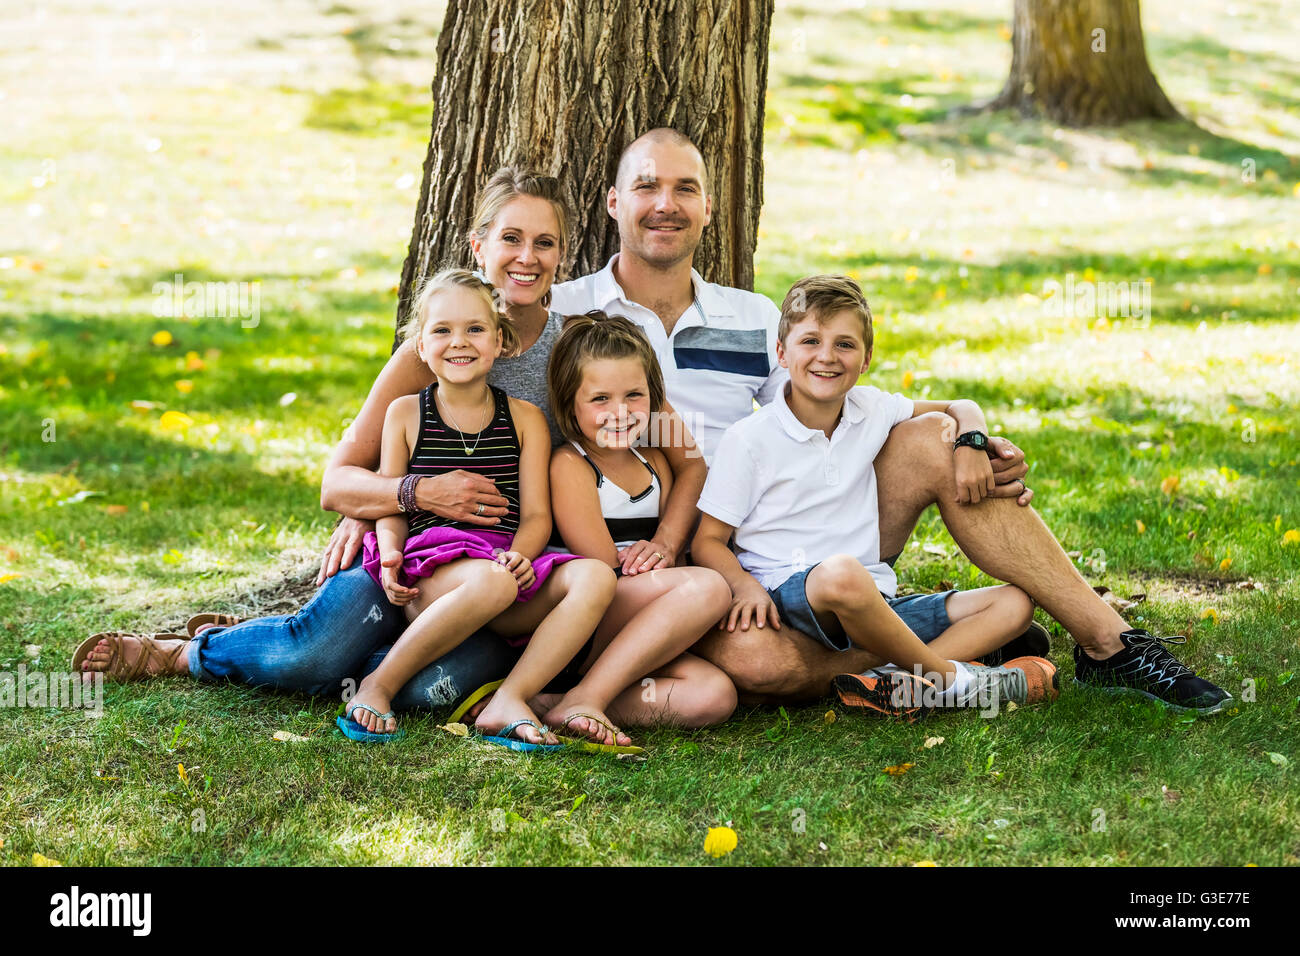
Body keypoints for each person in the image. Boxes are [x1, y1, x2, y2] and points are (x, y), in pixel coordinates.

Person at [553, 127, 1231, 715]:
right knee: (764, 667)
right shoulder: (568, 312)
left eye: (685, 189)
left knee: (935, 439)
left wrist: (970, 436)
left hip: (779, 532)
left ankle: (1109, 643)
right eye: (646, 187)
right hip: (682, 556)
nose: (666, 205)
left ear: (708, 207)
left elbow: (821, 402)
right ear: (614, 202)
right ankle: (920, 667)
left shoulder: (756, 318)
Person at [76, 167, 707, 721]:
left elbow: (679, 447)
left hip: (515, 573)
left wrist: (666, 542)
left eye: (544, 243)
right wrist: (398, 496)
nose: (526, 257)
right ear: (478, 245)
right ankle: (183, 652)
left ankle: (339, 663)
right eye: (510, 238)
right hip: (413, 552)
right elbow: (339, 479)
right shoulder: (429, 347)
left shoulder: (580, 347)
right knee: (315, 656)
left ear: (562, 255)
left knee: (440, 690)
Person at [692, 275, 1057, 718]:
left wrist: (973, 439)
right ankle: (952, 680)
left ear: (866, 359)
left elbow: (958, 407)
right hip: (792, 597)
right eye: (810, 341)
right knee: (843, 575)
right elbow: (707, 541)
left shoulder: (871, 409)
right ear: (782, 354)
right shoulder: (749, 439)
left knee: (1014, 604)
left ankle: (888, 680)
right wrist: (745, 586)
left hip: (874, 600)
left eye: (845, 344)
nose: (827, 356)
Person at [339, 268, 615, 744]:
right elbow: (392, 499)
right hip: (434, 573)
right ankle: (376, 685)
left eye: (475, 329)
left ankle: (510, 697)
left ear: (499, 342)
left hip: (507, 568)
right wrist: (388, 552)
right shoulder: (405, 413)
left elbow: (535, 516)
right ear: (421, 347)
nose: (459, 342)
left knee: (596, 575)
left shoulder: (525, 419)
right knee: (492, 580)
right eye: (442, 330)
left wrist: (524, 553)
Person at [531, 311, 736, 746]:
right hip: (594, 620)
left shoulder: (657, 461)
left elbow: (694, 465)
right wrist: (670, 573)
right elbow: (603, 573)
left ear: (654, 398)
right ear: (569, 403)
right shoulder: (571, 466)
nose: (620, 412)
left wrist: (666, 541)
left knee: (714, 696)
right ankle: (585, 695)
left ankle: (555, 705)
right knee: (709, 588)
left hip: (639, 628)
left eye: (634, 396)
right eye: (600, 399)